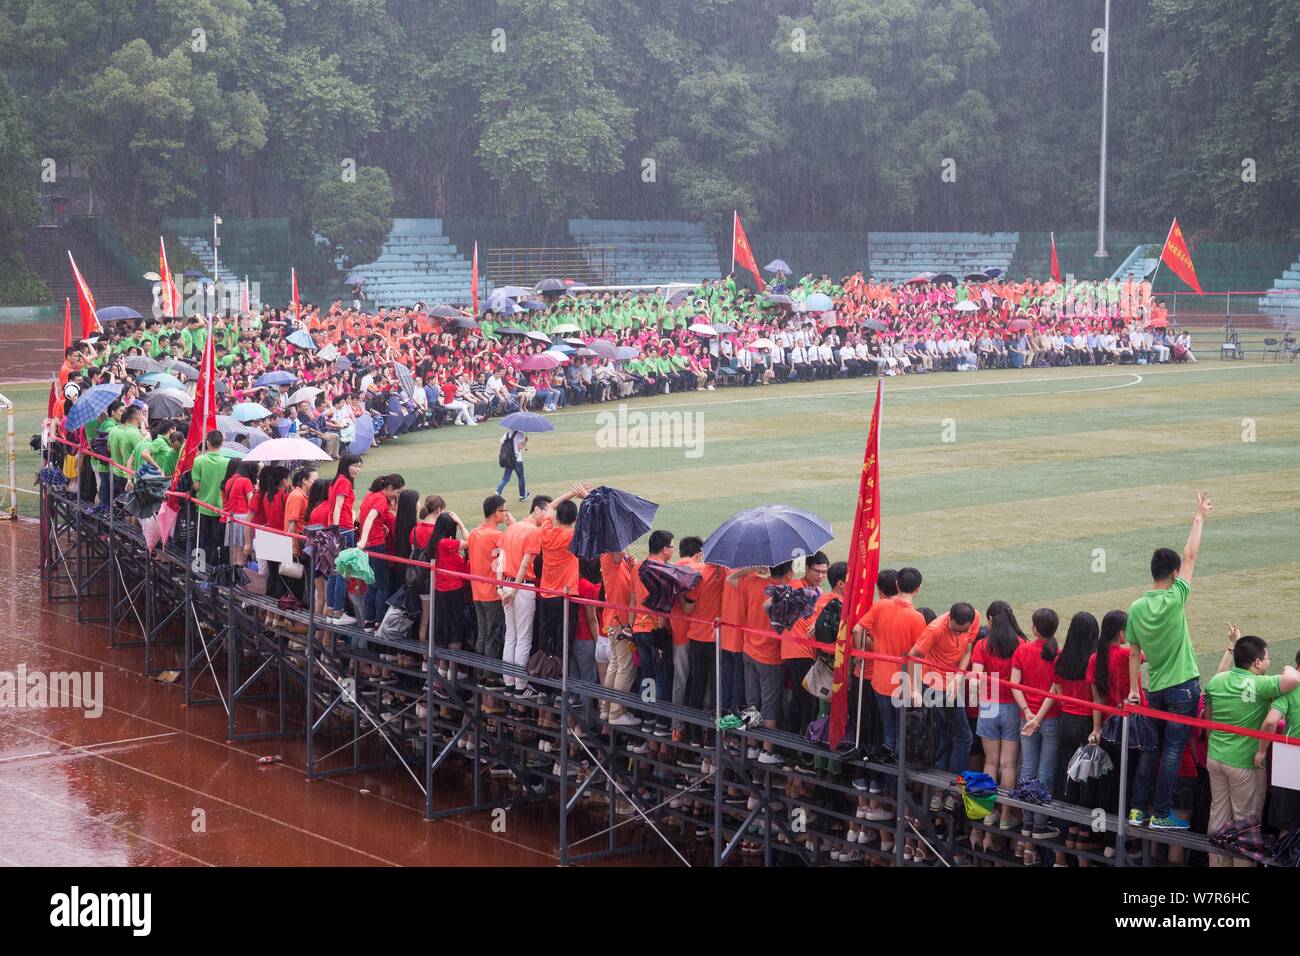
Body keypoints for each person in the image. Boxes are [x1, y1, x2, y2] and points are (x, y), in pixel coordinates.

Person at [1127, 492, 1212, 831]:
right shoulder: (1176, 597)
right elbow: (1191, 555)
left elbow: (1134, 653)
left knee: (1152, 750)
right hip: (1183, 689)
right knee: (1174, 751)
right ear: (1174, 574)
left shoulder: (1135, 608)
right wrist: (1199, 516)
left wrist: (1135, 690)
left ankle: (1136, 810)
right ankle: (1162, 813)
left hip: (1156, 688)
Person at [1204, 627, 1300, 866]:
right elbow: (1293, 679)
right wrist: (1289, 667)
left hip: (1215, 759)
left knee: (1218, 817)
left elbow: (1208, 713)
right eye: (1267, 658)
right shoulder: (1260, 685)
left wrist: (1232, 646)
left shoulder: (1218, 680)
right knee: (1246, 825)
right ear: (1257, 662)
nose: (1269, 661)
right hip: (1245, 763)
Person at [1049, 611, 1101, 863]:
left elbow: (1057, 690)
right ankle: (1082, 838)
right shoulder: (1094, 659)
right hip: (1086, 724)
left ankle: (1067, 837)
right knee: (1087, 781)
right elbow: (1096, 698)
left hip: (1065, 722)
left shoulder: (1061, 657)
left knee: (1067, 778)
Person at [971, 601, 1027, 836]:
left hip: (988, 705)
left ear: (991, 620)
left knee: (990, 763)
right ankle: (1005, 816)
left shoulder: (983, 645)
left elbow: (974, 678)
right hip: (1013, 707)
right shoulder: (1021, 645)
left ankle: (985, 812)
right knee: (1008, 765)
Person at [908, 601, 979, 783]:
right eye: (954, 630)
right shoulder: (936, 629)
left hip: (951, 683)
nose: (958, 634)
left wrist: (958, 677)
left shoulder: (974, 618)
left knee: (947, 737)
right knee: (959, 737)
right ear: (949, 619)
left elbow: (968, 649)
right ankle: (950, 787)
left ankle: (942, 790)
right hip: (934, 685)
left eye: (962, 631)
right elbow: (913, 655)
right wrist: (914, 689)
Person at [1012, 608, 1063, 855]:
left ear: (1034, 628)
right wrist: (1039, 717)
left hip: (1027, 718)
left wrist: (1028, 714)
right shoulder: (1057, 654)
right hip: (1049, 719)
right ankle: (1039, 824)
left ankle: (1029, 822)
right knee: (1044, 772)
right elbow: (1055, 691)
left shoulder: (1022, 650)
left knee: (1028, 769)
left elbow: (1015, 684)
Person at [467, 495, 511, 695]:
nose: (506, 513)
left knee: (483, 634)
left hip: (477, 591)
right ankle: (491, 678)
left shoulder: (475, 533)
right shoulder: (496, 535)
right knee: (492, 637)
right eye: (504, 510)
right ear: (496, 513)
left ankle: (481, 675)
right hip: (492, 592)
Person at [1259, 649, 1300, 834]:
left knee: (1285, 823)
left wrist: (1261, 751)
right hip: (1291, 758)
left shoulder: (1291, 689)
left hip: (1291, 758)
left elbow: (1270, 721)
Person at [357, 473, 405, 632]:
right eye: (397, 492)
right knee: (382, 585)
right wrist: (364, 539)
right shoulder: (380, 499)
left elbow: (360, 517)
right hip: (376, 545)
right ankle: (378, 621)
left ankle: (369, 621)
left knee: (371, 584)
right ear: (390, 488)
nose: (397, 496)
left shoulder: (370, 496)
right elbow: (370, 517)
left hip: (370, 546)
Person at [189, 430, 227, 565]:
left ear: (207, 443)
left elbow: (197, 486)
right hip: (220, 508)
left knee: (201, 540)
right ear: (221, 443)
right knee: (216, 541)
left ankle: (198, 570)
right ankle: (211, 571)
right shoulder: (227, 462)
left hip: (202, 507)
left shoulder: (199, 461)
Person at [496, 428, 528, 500]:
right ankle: (522, 495)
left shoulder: (507, 433)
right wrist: (525, 441)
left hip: (508, 459)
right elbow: (520, 447)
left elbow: (502, 442)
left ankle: (498, 492)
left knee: (506, 478)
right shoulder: (521, 434)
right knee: (521, 478)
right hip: (517, 459)